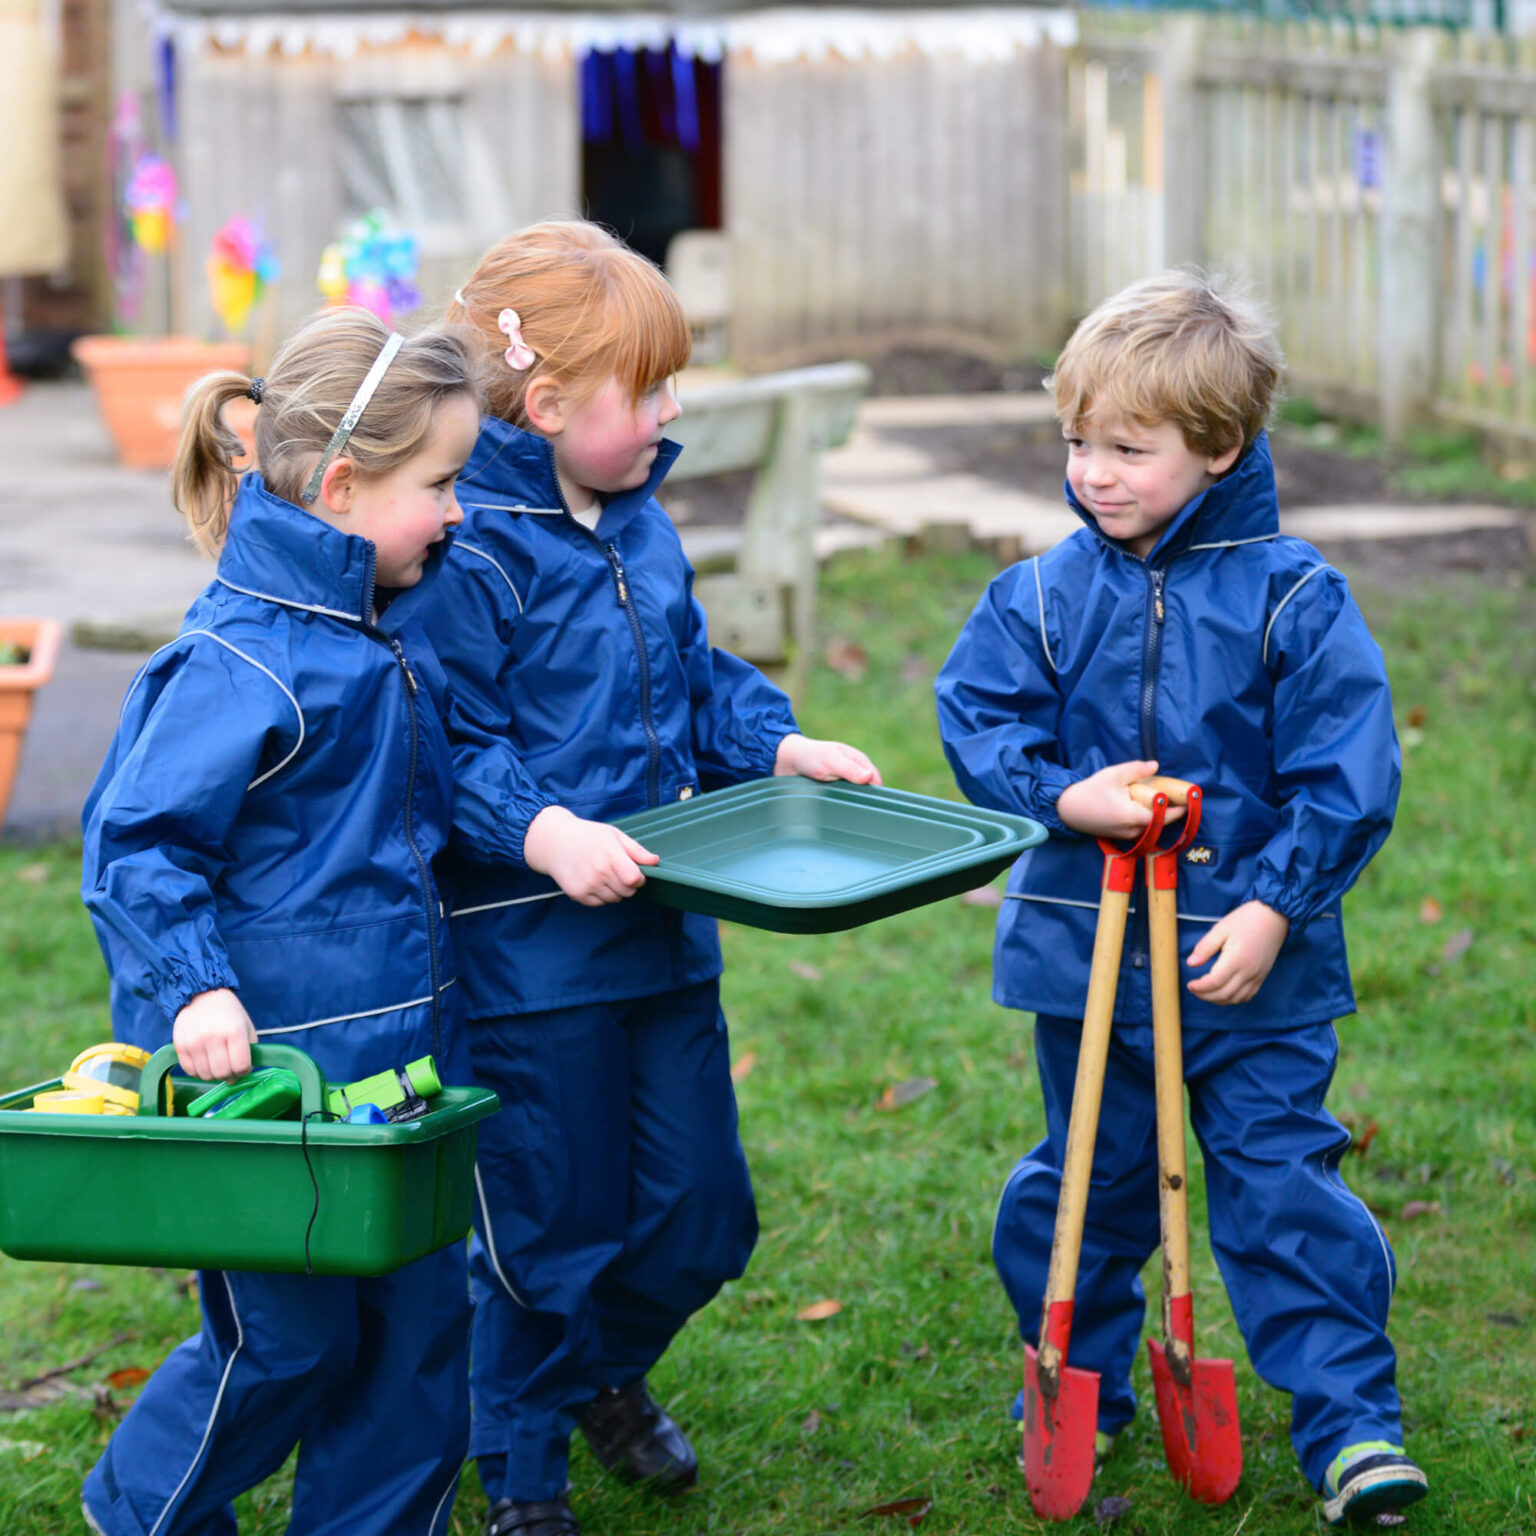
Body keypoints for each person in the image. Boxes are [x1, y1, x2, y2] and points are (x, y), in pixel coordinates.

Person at [391, 220, 879, 1536]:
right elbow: (452, 743)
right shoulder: (466, 548)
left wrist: (775, 743)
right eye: (648, 393)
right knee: (548, 1230)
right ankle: (524, 1469)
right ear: (549, 405)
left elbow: (693, 675)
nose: (670, 416)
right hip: (530, 957)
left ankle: (600, 1373)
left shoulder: (641, 521)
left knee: (700, 1214)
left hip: (665, 932)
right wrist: (545, 830)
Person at [934, 271, 1424, 1527]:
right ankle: (1079, 1382)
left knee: (1280, 1186)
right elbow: (975, 714)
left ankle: (1350, 1422)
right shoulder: (1042, 597)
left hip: (1248, 970)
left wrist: (1275, 908)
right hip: (1089, 963)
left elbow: (1348, 775)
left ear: (1220, 448)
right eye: (1078, 443)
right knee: (1087, 1183)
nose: (1093, 473)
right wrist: (1063, 798)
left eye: (1128, 449)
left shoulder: (1294, 599)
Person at [79, 307, 482, 1536]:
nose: (459, 512)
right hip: (274, 1089)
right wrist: (195, 988)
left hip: (406, 1071)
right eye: (441, 485)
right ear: (344, 487)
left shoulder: (386, 628)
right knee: (288, 1346)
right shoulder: (238, 665)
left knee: (418, 1343)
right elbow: (139, 845)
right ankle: (139, 1508)